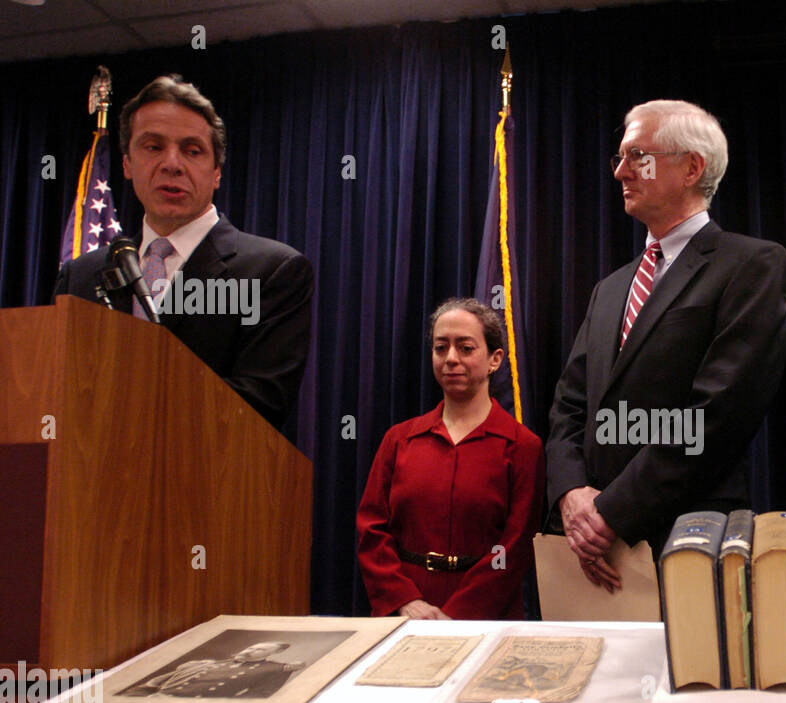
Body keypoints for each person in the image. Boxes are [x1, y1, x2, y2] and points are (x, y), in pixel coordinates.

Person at [546, 99, 786, 590]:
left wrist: (612, 512)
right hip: (588, 551)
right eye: (618, 158)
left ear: (691, 167)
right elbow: (568, 408)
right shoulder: (610, 288)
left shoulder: (751, 265)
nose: (619, 172)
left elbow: (717, 415)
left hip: (688, 544)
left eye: (637, 155)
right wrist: (572, 495)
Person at [52, 74, 313, 429]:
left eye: (192, 150)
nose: (172, 164)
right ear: (127, 163)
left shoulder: (272, 271)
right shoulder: (81, 276)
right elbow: (54, 391)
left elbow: (258, 405)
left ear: (216, 171)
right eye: (153, 147)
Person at [356, 298, 545, 620]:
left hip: (487, 616)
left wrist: (457, 616)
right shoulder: (399, 440)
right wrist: (405, 601)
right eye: (441, 348)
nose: (451, 358)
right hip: (404, 615)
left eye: (466, 348)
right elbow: (371, 529)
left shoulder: (523, 446)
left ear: (495, 359)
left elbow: (514, 547)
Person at [118, 641, 303, 698]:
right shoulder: (206, 664)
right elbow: (155, 683)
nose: (250, 651)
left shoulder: (275, 669)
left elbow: (259, 695)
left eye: (259, 650)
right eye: (250, 647)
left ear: (274, 652)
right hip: (157, 699)